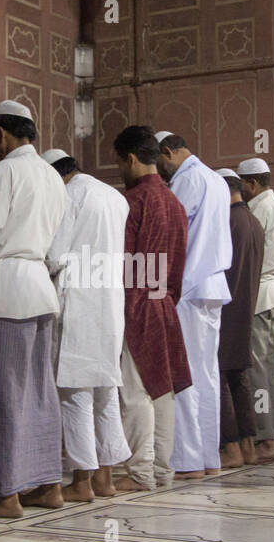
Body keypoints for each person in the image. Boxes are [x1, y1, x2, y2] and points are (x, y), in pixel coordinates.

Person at [0, 100, 68, 514]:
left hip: (7, 289)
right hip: (40, 289)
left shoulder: (5, 171)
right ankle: (48, 485)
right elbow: (59, 250)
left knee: (3, 394)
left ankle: (7, 492)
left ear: (5, 135)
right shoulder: (52, 176)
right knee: (40, 393)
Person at [44, 147, 131, 501]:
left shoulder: (69, 195)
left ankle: (81, 482)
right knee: (105, 393)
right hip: (109, 302)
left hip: (79, 302)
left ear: (54, 176)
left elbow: (56, 254)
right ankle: (106, 480)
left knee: (76, 395)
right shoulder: (114, 196)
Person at [113, 126, 191, 491]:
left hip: (137, 301)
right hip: (165, 302)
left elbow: (124, 262)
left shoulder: (133, 202)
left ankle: (138, 471)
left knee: (135, 390)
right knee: (163, 389)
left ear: (130, 158)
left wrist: (123, 305)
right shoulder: (175, 203)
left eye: (120, 163)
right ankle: (161, 469)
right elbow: (178, 265)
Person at [156, 132, 232, 478]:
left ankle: (188, 461)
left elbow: (172, 231)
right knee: (207, 375)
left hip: (189, 286)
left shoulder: (188, 179)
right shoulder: (216, 179)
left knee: (184, 375)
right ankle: (208, 457)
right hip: (212, 286)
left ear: (167, 153)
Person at [239, 158, 274, 459]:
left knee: (257, 372)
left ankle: (263, 436)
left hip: (259, 295)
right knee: (268, 370)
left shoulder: (259, 209)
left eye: (244, 185)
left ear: (253, 184)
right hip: (273, 294)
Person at [217, 169, 264, 468]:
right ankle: (248, 445)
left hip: (227, 307)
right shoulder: (253, 221)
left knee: (220, 375)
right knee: (240, 377)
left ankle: (230, 447)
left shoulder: (229, 222)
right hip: (246, 306)